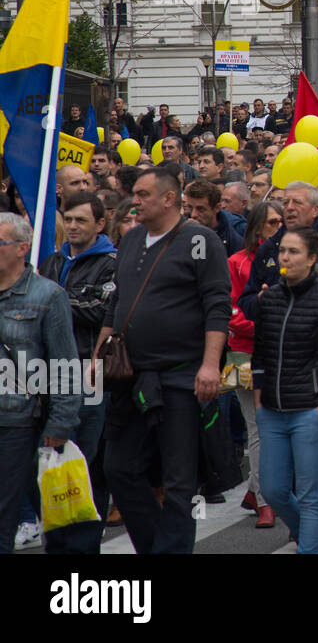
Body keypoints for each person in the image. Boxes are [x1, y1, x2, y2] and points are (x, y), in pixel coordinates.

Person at [94, 167, 231, 555]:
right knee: (118, 469)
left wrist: (209, 365)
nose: (133, 201)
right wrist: (99, 351)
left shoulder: (201, 241)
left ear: (169, 199)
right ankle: (158, 548)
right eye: (134, 194)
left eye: (142, 194)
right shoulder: (133, 238)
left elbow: (217, 305)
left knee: (179, 481)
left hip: (180, 376)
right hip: (130, 377)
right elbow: (118, 300)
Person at [251, 227, 318, 553]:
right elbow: (261, 354)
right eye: (283, 250)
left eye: (294, 252)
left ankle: (308, 547)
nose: (285, 257)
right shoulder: (269, 300)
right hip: (272, 411)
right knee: (273, 488)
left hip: (312, 412)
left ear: (312, 259)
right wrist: (259, 402)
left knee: (311, 494)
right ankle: (307, 535)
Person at [37, 192, 118, 553]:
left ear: (100, 224)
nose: (72, 226)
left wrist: (50, 299)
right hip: (48, 375)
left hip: (89, 373)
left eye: (81, 220)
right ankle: (56, 542)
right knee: (51, 465)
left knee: (83, 463)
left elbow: (101, 311)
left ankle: (85, 548)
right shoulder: (53, 261)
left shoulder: (111, 263)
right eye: (68, 219)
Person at [0, 215, 80, 556]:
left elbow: (64, 365)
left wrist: (61, 422)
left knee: (5, 516)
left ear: (22, 248)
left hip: (18, 422)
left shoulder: (48, 295)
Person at [226, 199, 283, 529]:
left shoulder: (290, 257)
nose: (277, 228)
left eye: (280, 222)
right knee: (258, 428)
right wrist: (267, 323)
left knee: (275, 428)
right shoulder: (237, 262)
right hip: (246, 353)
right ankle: (264, 501)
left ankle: (255, 491)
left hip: (283, 353)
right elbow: (233, 312)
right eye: (271, 223)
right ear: (257, 226)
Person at [238, 181, 318, 324]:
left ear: (315, 210)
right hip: (278, 340)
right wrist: (260, 302)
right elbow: (246, 302)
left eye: (297, 202)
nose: (290, 208)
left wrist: (314, 314)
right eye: (285, 203)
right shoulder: (269, 248)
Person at [182, 179, 245, 256]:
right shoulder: (180, 231)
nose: (193, 214)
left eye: (201, 209)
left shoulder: (234, 242)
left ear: (217, 208)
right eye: (190, 207)